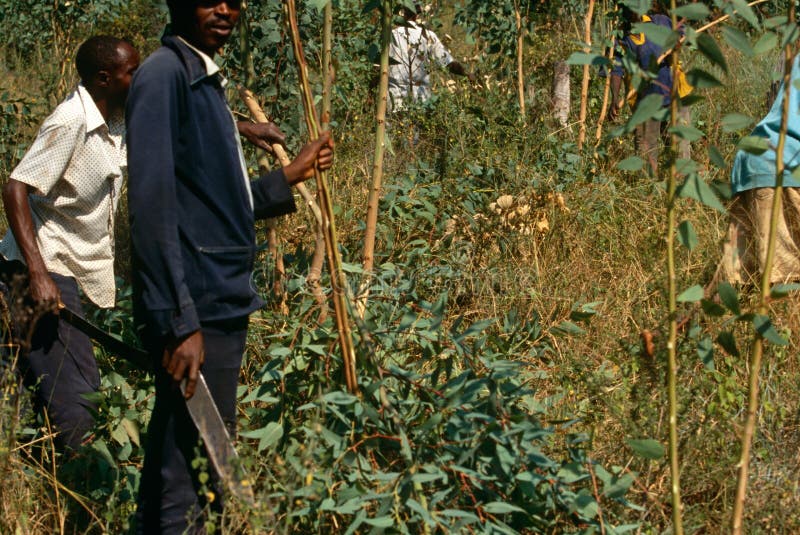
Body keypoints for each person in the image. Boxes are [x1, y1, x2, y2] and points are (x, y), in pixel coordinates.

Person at [125, 1, 334, 532]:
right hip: (198, 311)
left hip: (214, 301)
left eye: (234, 0)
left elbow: (215, 201)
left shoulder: (201, 78)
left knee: (180, 461)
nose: (225, 9)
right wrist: (179, 320)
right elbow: (152, 207)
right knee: (194, 476)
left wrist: (287, 177)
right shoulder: (164, 76)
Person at [0, 36, 140, 452]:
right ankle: (89, 497)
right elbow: (15, 188)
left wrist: (241, 128)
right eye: (131, 71)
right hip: (38, 271)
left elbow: (171, 126)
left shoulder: (116, 117)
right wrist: (38, 275)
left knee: (22, 393)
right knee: (79, 399)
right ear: (104, 78)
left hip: (58, 271)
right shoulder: (70, 122)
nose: (139, 77)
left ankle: (32, 487)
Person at [720, 54, 800, 285]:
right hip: (789, 160)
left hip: (753, 160)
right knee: (788, 276)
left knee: (744, 274)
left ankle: (697, 318)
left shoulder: (794, 60)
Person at [609, 4, 690, 177]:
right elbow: (616, 70)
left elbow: (684, 35)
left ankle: (682, 196)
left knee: (679, 150)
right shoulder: (621, 38)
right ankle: (649, 195)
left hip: (674, 96)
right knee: (646, 157)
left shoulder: (661, 22)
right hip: (644, 103)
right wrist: (614, 98)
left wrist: (676, 43)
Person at [388, 4, 474, 114]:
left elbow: (378, 68)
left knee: (394, 129)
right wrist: (467, 74)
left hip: (395, 96)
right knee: (418, 130)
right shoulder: (427, 35)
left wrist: (370, 95)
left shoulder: (391, 35)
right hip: (420, 97)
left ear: (402, 13)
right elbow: (448, 63)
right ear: (417, 14)